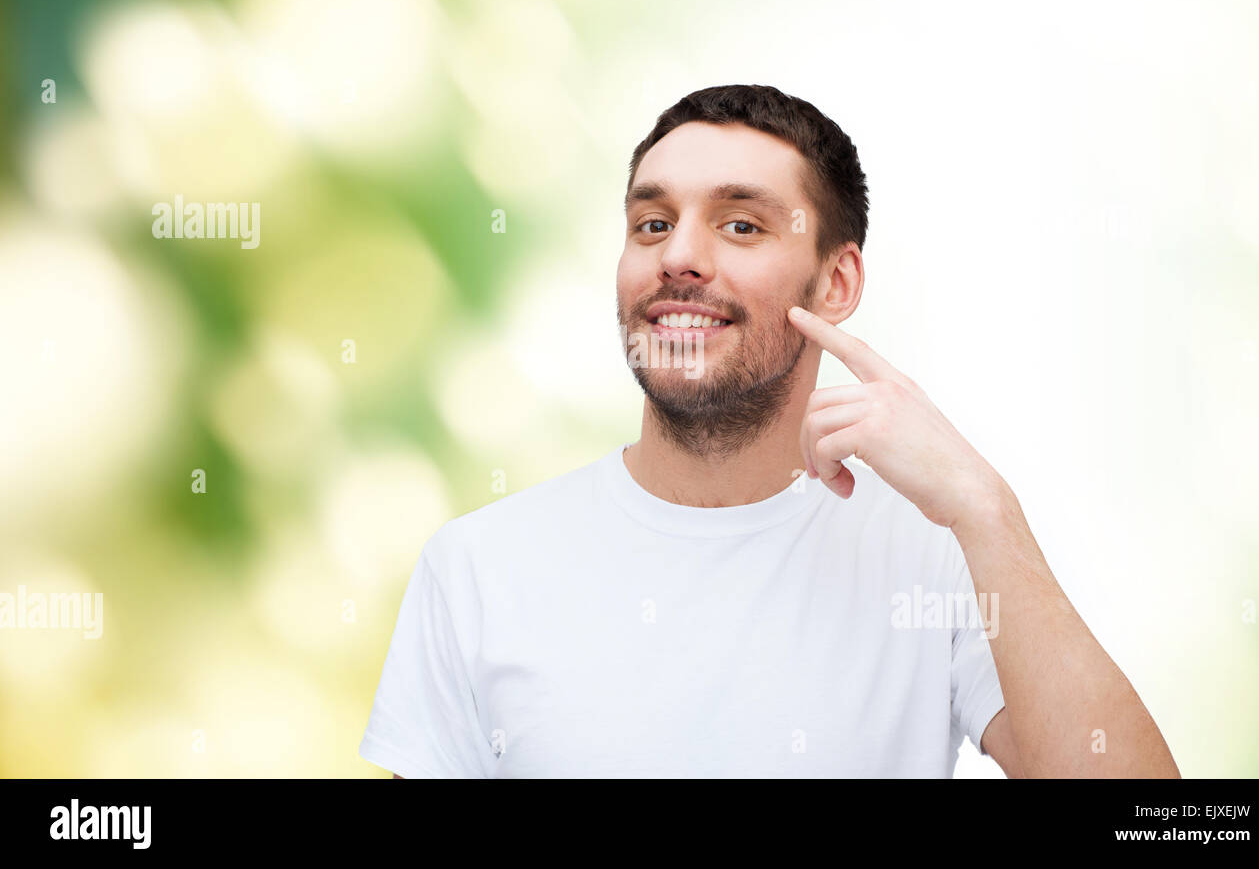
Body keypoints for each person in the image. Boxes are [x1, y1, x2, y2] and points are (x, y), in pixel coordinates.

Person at [359, 84, 1179, 778]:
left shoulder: (939, 561)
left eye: (740, 225)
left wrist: (985, 508)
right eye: (652, 224)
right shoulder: (476, 569)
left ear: (836, 281)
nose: (679, 256)